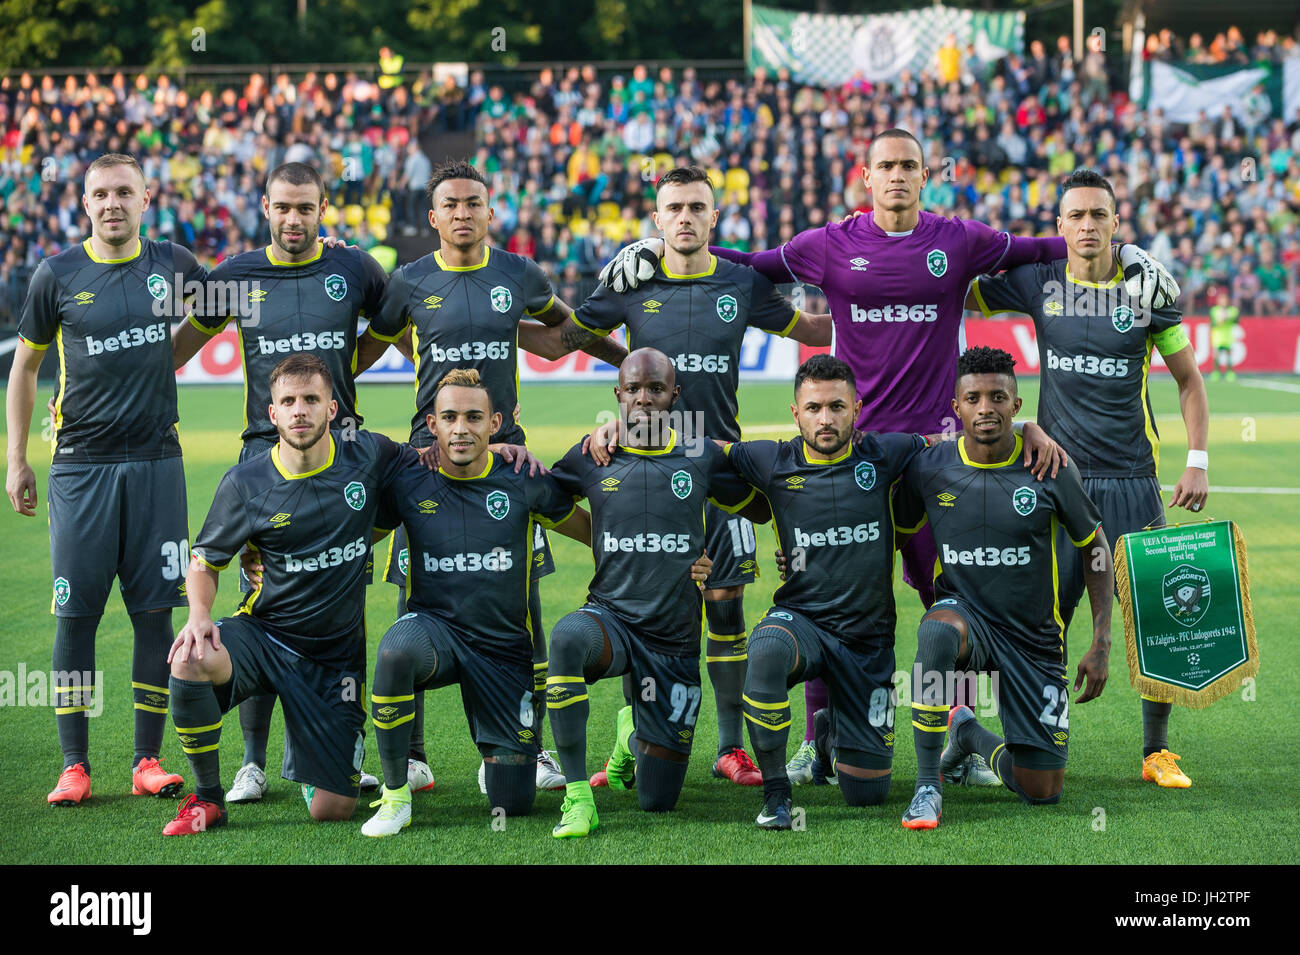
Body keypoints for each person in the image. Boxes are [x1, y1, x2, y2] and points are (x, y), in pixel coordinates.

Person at [597, 132, 1163, 784]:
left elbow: (1045, 246)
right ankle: (818, 739)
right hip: (849, 458)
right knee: (828, 598)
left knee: (950, 600)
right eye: (886, 166)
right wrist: (661, 247)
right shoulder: (830, 244)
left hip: (934, 459)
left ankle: (957, 735)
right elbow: (756, 262)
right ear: (866, 176)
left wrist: (1126, 253)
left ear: (926, 175)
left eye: (909, 166)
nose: (897, 176)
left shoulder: (959, 241)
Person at [531, 165, 831, 787]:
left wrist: (893, 305)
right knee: (646, 609)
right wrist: (491, 311)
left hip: (716, 476)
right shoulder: (628, 283)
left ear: (715, 218)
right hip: (640, 477)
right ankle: (638, 726)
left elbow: (811, 332)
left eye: (699, 207)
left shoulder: (741, 283)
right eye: (675, 207)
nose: (687, 217)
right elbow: (559, 342)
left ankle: (727, 748)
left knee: (724, 610)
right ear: (658, 217)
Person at [365, 159, 626, 793]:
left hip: (507, 459)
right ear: (433, 217)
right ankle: (416, 753)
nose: (462, 213)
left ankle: (524, 746)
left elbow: (562, 333)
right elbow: (367, 351)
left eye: (473, 203)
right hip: (428, 460)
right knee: (414, 595)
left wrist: (629, 367)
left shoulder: (518, 273)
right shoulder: (408, 281)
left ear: (491, 211)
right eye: (450, 204)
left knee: (523, 600)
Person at [172, 161, 407, 804]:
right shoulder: (236, 276)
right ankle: (251, 760)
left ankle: (340, 741)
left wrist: (343, 382)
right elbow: (178, 347)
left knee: (336, 585)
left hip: (344, 448)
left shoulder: (355, 269)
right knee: (266, 598)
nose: (294, 219)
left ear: (324, 207)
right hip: (263, 455)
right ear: (265, 208)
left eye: (306, 207)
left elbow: (396, 329)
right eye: (283, 207)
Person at [967, 168, 1209, 787]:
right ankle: (1035, 736)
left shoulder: (1147, 292)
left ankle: (1157, 752)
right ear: (1059, 227)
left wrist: (1197, 460)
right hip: (1057, 480)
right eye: (1075, 216)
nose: (1087, 226)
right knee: (1047, 617)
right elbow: (956, 291)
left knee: (1155, 617)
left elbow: (1188, 380)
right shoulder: (1038, 281)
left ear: (1116, 224)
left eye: (1099, 215)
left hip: (1133, 478)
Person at [7, 153, 204, 807]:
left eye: (126, 191)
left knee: (155, 615)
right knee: (76, 615)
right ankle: (74, 765)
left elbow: (228, 303)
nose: (113, 202)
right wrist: (16, 456)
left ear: (147, 199)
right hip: (81, 467)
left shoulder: (173, 266)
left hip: (158, 462)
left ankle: (147, 759)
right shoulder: (56, 274)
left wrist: (167, 360)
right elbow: (26, 368)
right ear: (84, 204)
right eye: (101, 193)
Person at [161, 355, 407, 835]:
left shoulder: (369, 455)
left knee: (333, 810)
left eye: (311, 399)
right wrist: (198, 615)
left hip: (334, 660)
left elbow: (430, 456)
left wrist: (500, 449)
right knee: (189, 657)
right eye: (288, 402)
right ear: (271, 414)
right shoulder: (245, 483)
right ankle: (208, 799)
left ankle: (314, 760)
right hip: (265, 635)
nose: (300, 411)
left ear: (333, 409)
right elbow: (204, 562)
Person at [544, 348, 770, 838]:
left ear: (675, 395)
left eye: (656, 389)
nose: (644, 398)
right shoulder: (592, 456)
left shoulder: (701, 454)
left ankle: (630, 734)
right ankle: (579, 797)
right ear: (618, 395)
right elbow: (540, 496)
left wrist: (705, 549)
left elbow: (760, 507)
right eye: (634, 389)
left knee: (657, 800)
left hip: (674, 642)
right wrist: (594, 534)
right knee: (565, 638)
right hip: (611, 620)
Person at [360, 369, 593, 836]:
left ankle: (497, 759)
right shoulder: (409, 479)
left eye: (473, 417)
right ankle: (396, 795)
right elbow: (356, 544)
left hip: (504, 651)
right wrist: (269, 557)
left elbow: (592, 533)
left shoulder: (523, 477)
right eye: (449, 417)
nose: (461, 428)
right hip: (436, 633)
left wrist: (682, 564)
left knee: (514, 802)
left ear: (496, 423)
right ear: (432, 425)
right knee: (393, 650)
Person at [894, 347, 1113, 828]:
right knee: (935, 632)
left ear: (1017, 406)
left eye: (998, 397)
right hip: (966, 618)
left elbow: (1095, 548)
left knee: (1042, 791)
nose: (985, 408)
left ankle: (969, 734)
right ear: (957, 407)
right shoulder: (929, 467)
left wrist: (1101, 639)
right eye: (973, 398)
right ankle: (927, 786)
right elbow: (894, 531)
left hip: (1033, 638)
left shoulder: (1050, 466)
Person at [727, 356, 929, 827]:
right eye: (813, 408)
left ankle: (827, 737)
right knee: (765, 650)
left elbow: (951, 443)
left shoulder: (886, 454)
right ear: (795, 413)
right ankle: (777, 793)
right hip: (804, 622)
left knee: (867, 795)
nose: (825, 419)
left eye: (837, 407)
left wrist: (1027, 429)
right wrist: (618, 434)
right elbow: (700, 453)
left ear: (857, 408)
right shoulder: (770, 460)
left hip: (868, 639)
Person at [1207, 286, 1239, 382]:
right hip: (1217, 335)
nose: (1223, 301)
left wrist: (1226, 318)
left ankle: (1230, 372)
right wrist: (1220, 320)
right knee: (1216, 355)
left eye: (1225, 299)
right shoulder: (1214, 310)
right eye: (1221, 299)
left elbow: (1235, 321)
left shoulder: (1233, 310)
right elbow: (1213, 323)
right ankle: (1216, 372)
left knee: (1229, 354)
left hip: (1228, 335)